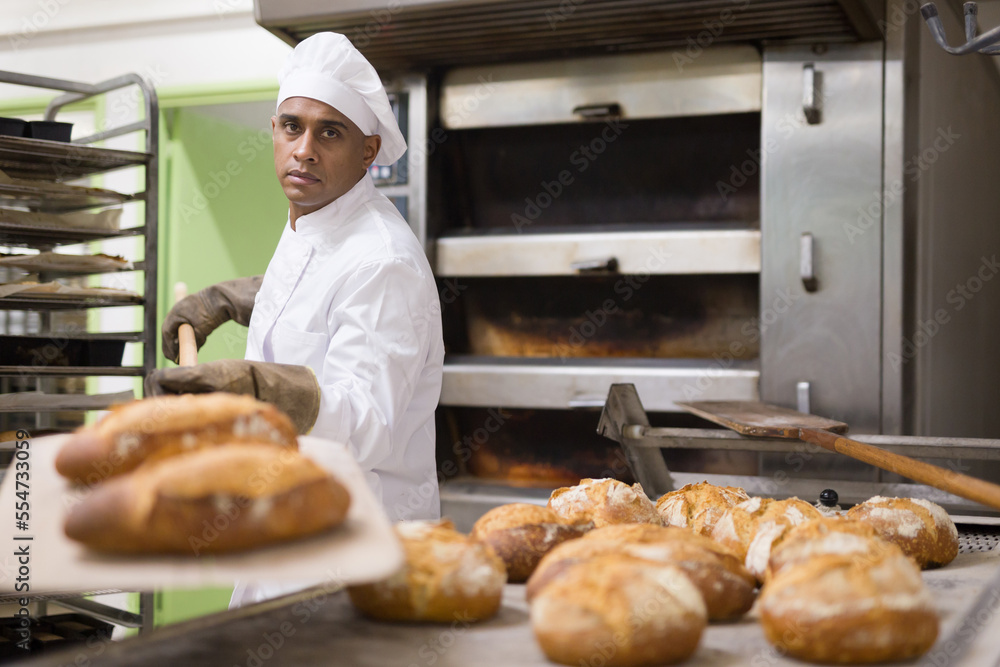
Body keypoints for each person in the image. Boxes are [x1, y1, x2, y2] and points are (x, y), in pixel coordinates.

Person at [147, 33, 444, 531]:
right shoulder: (318, 213)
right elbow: (320, 285)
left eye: (330, 133)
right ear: (274, 130)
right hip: (282, 518)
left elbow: (368, 426)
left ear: (368, 150)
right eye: (292, 127)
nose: (303, 151)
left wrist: (259, 389)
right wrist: (230, 298)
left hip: (348, 544)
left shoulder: (385, 262)